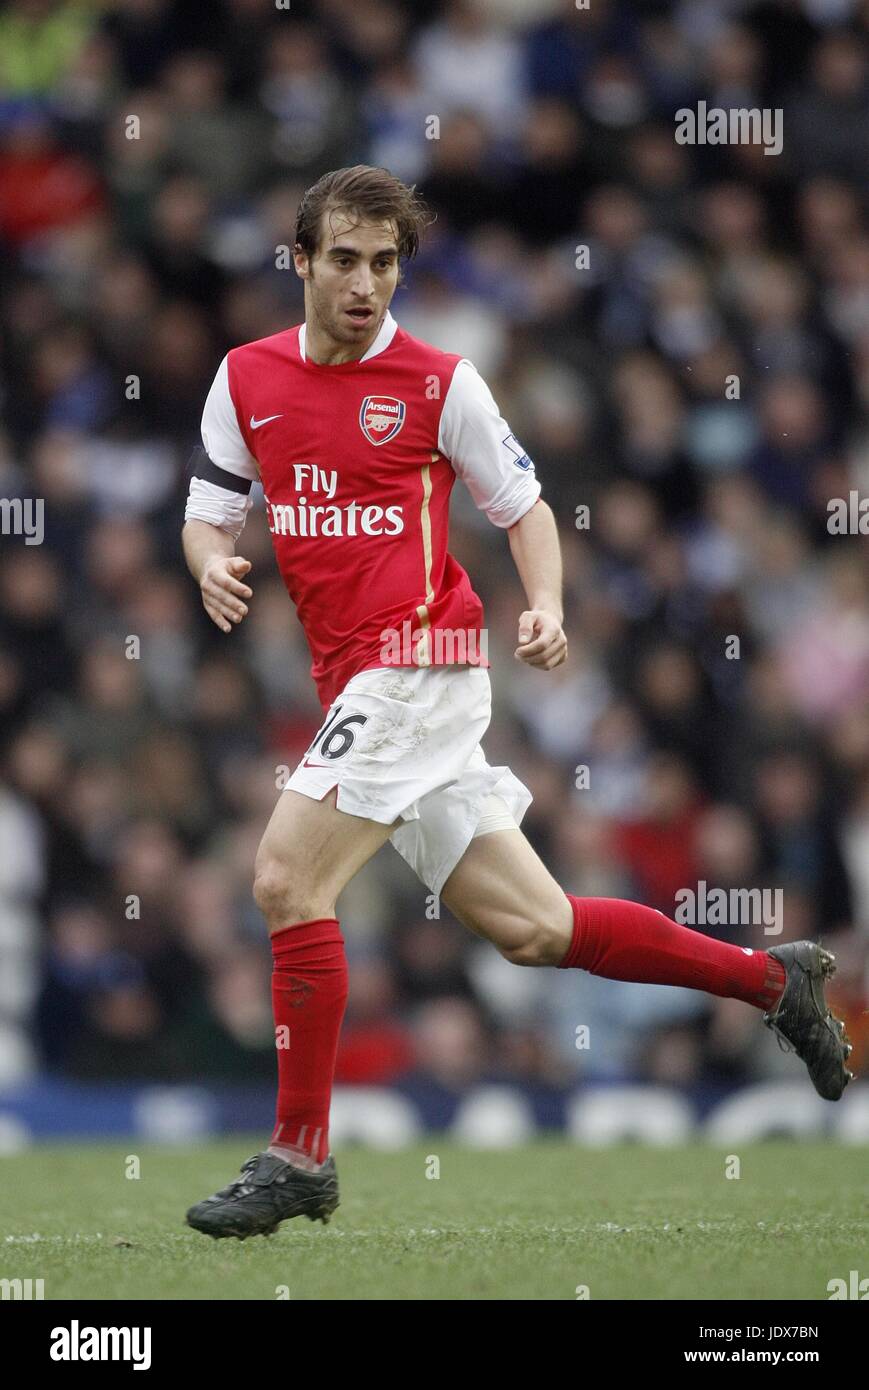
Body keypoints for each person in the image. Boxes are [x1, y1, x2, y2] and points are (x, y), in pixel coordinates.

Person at [181, 165, 852, 1241]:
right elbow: (207, 510)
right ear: (298, 262)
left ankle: (299, 1151)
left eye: (385, 263)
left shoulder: (443, 381)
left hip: (422, 660)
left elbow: (525, 507)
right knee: (536, 929)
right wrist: (210, 559)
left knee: (281, 875)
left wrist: (542, 604)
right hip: (354, 678)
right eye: (343, 260)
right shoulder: (242, 380)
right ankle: (770, 982)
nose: (365, 283)